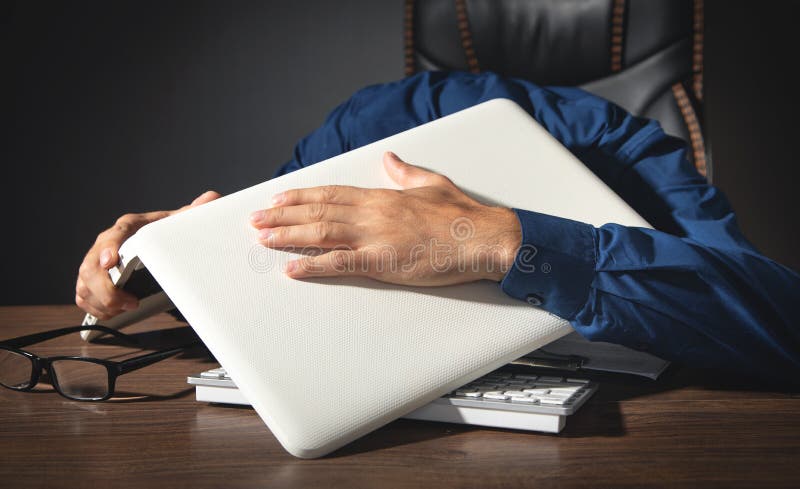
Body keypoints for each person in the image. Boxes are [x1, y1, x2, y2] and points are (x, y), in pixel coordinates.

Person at [76, 71, 800, 384]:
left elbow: (780, 323)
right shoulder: (363, 127)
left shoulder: (623, 147)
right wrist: (171, 257)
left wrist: (499, 242)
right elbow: (276, 284)